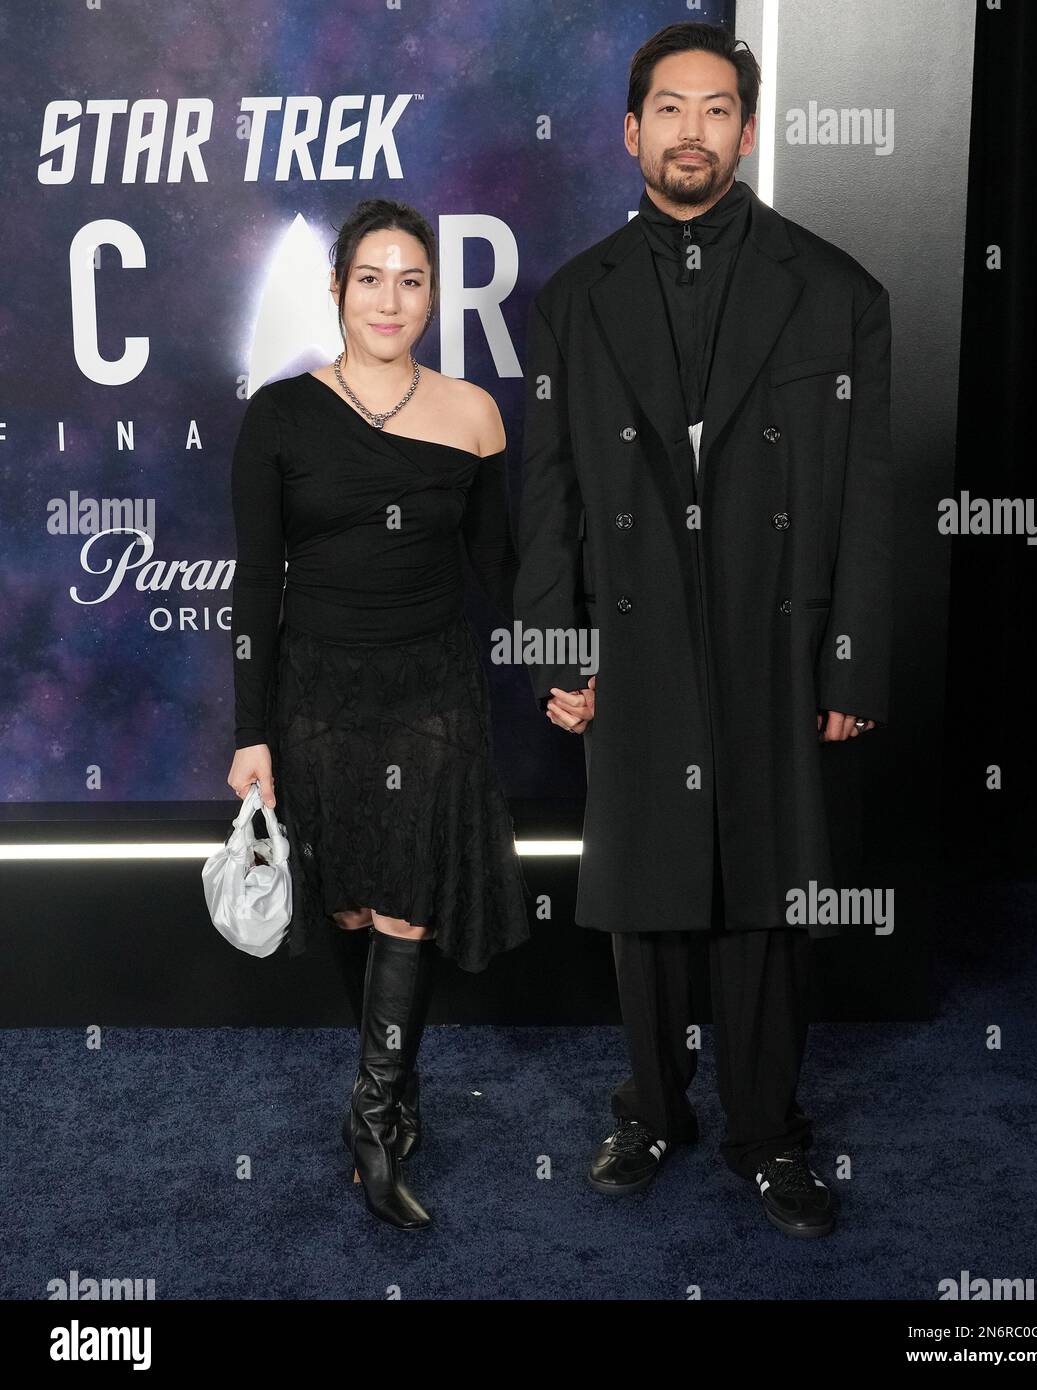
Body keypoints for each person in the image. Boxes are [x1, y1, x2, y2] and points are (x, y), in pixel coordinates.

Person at [514, 23, 893, 1238]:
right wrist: (549, 650)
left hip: (773, 631)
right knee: (641, 889)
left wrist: (850, 657)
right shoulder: (572, 302)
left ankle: (766, 1131)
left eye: (715, 108)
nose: (691, 130)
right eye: (667, 109)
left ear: (745, 127)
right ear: (630, 133)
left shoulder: (835, 293)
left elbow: (867, 501)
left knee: (766, 891)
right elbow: (549, 495)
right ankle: (651, 1108)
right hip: (630, 637)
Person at [226, 198, 532, 1231]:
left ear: (433, 294)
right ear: (337, 289)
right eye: (370, 278)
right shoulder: (277, 413)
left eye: (410, 279)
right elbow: (254, 580)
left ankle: (372, 1117)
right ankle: (395, 1089)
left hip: (431, 689)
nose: (389, 298)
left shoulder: (474, 413)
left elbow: (500, 567)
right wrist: (250, 729)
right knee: (352, 906)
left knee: (410, 900)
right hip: (317, 690)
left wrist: (559, 659)